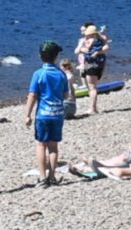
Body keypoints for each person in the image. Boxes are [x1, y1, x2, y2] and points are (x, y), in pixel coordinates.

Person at [22, 41, 70, 188]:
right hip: (57, 114)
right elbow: (66, 95)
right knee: (53, 147)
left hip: (43, 115)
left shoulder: (38, 74)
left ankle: (42, 177)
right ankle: (52, 176)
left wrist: (27, 114)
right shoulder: (61, 74)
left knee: (41, 145)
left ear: (39, 56)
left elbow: (32, 95)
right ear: (56, 57)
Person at [73, 22, 110, 115]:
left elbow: (78, 51)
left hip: (91, 65)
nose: (83, 33)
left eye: (84, 31)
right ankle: (93, 107)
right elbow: (105, 48)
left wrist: (83, 48)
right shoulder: (100, 38)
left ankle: (92, 108)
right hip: (93, 64)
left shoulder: (87, 40)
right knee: (91, 86)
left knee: (92, 87)